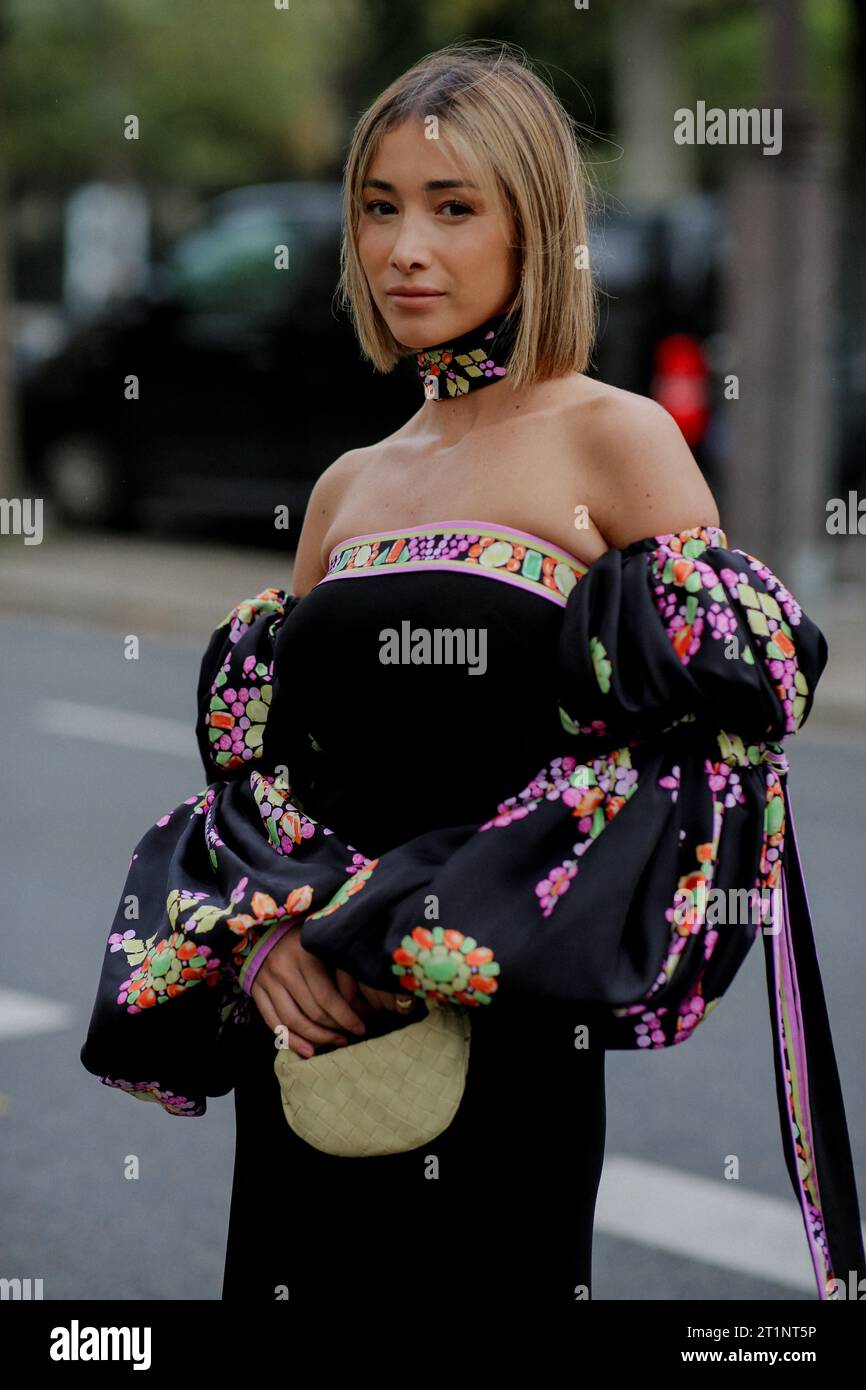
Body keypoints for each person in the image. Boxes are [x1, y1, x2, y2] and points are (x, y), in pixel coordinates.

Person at [80, 40, 865, 1306]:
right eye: (379, 206)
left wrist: (423, 929)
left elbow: (706, 770)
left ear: (532, 227)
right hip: (322, 1045)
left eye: (452, 209)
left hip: (505, 1041)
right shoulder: (348, 483)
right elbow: (260, 783)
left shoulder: (614, 439)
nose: (405, 249)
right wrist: (266, 933)